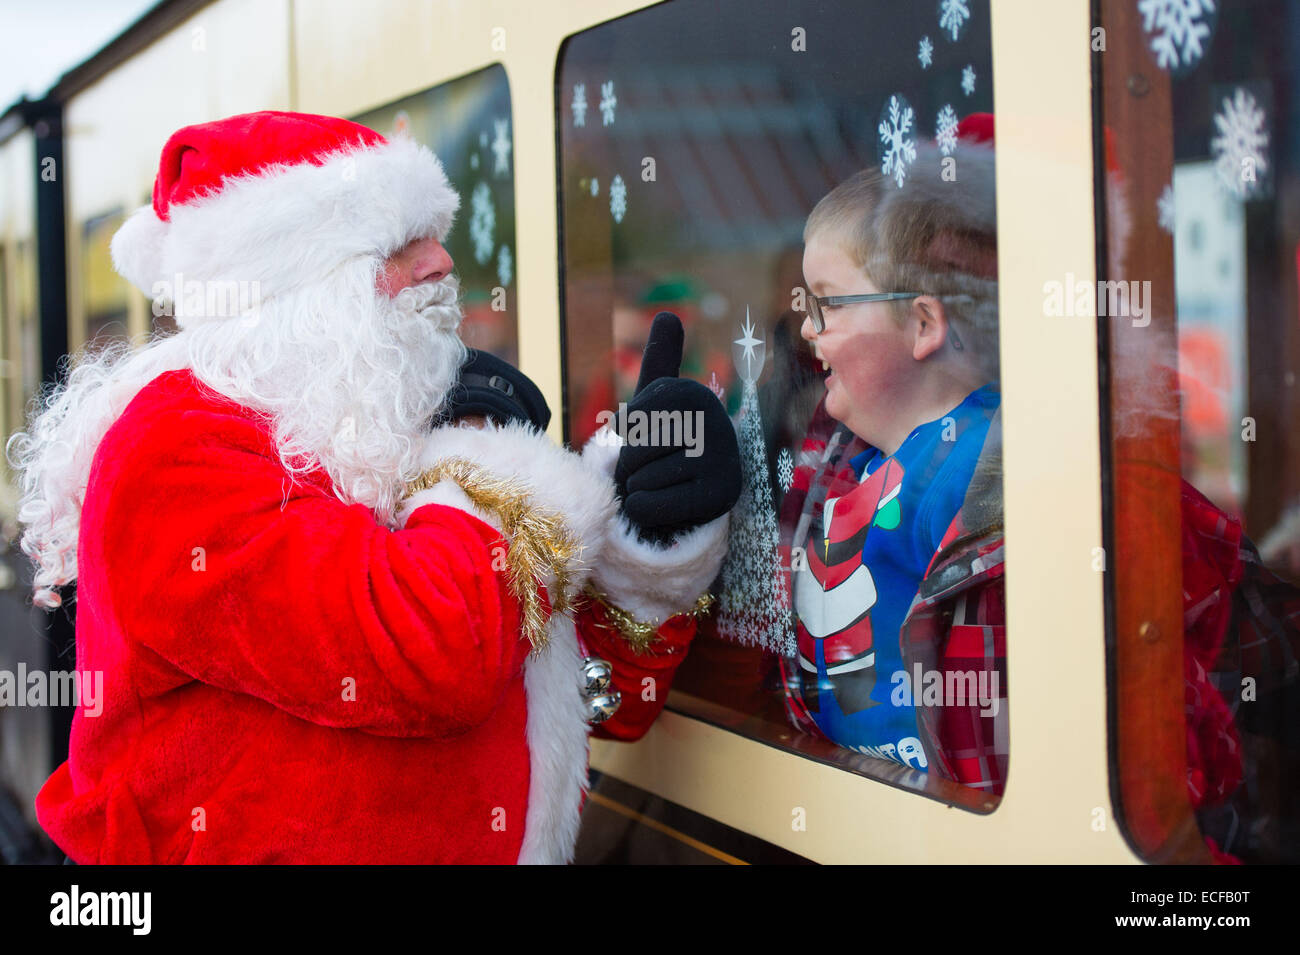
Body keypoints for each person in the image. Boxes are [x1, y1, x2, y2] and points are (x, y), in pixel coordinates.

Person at [6, 111, 738, 864]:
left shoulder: (370, 415)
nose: (441, 263)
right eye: (398, 246)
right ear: (291, 282)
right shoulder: (172, 452)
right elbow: (430, 653)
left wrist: (649, 538)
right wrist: (485, 462)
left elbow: (581, 696)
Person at [779, 116, 1008, 791]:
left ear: (922, 324)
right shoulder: (870, 461)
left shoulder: (969, 462)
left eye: (828, 305)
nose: (805, 329)